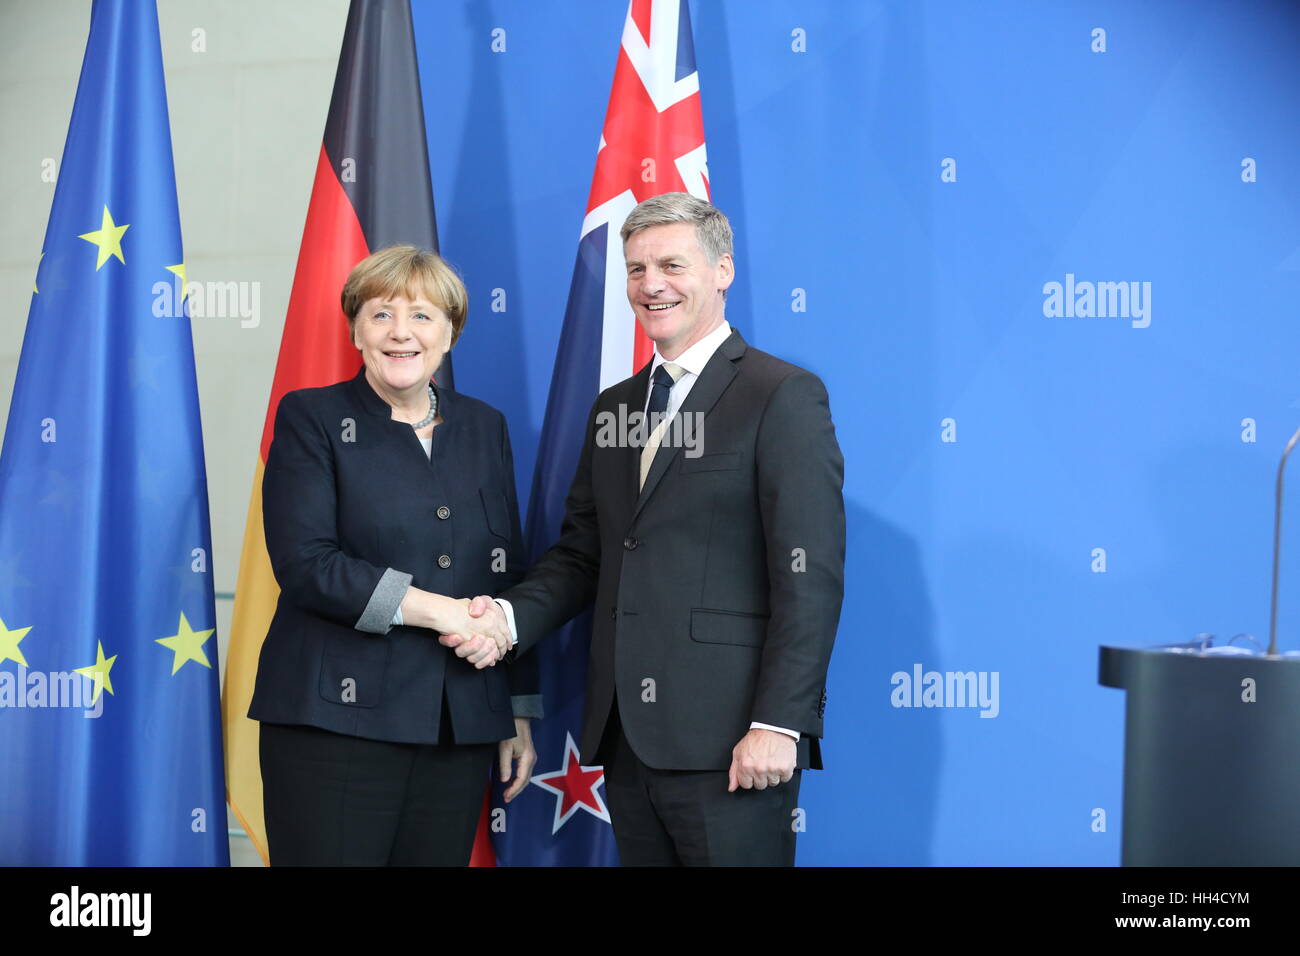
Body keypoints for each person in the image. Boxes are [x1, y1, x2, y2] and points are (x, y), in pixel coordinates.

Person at [444, 193, 845, 866]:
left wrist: (778, 724)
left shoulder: (782, 395)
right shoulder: (616, 407)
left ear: (722, 270)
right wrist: (507, 621)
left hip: (733, 741)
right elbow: (583, 556)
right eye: (635, 269)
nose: (651, 285)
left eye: (671, 265)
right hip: (627, 740)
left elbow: (809, 576)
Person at [249, 244, 538, 866]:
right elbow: (308, 565)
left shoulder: (485, 427)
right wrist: (445, 612)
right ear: (355, 329)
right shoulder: (312, 418)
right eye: (381, 315)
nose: (400, 332)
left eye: (422, 316)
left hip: (457, 725)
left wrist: (514, 708)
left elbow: (507, 568)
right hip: (334, 725)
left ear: (450, 334)